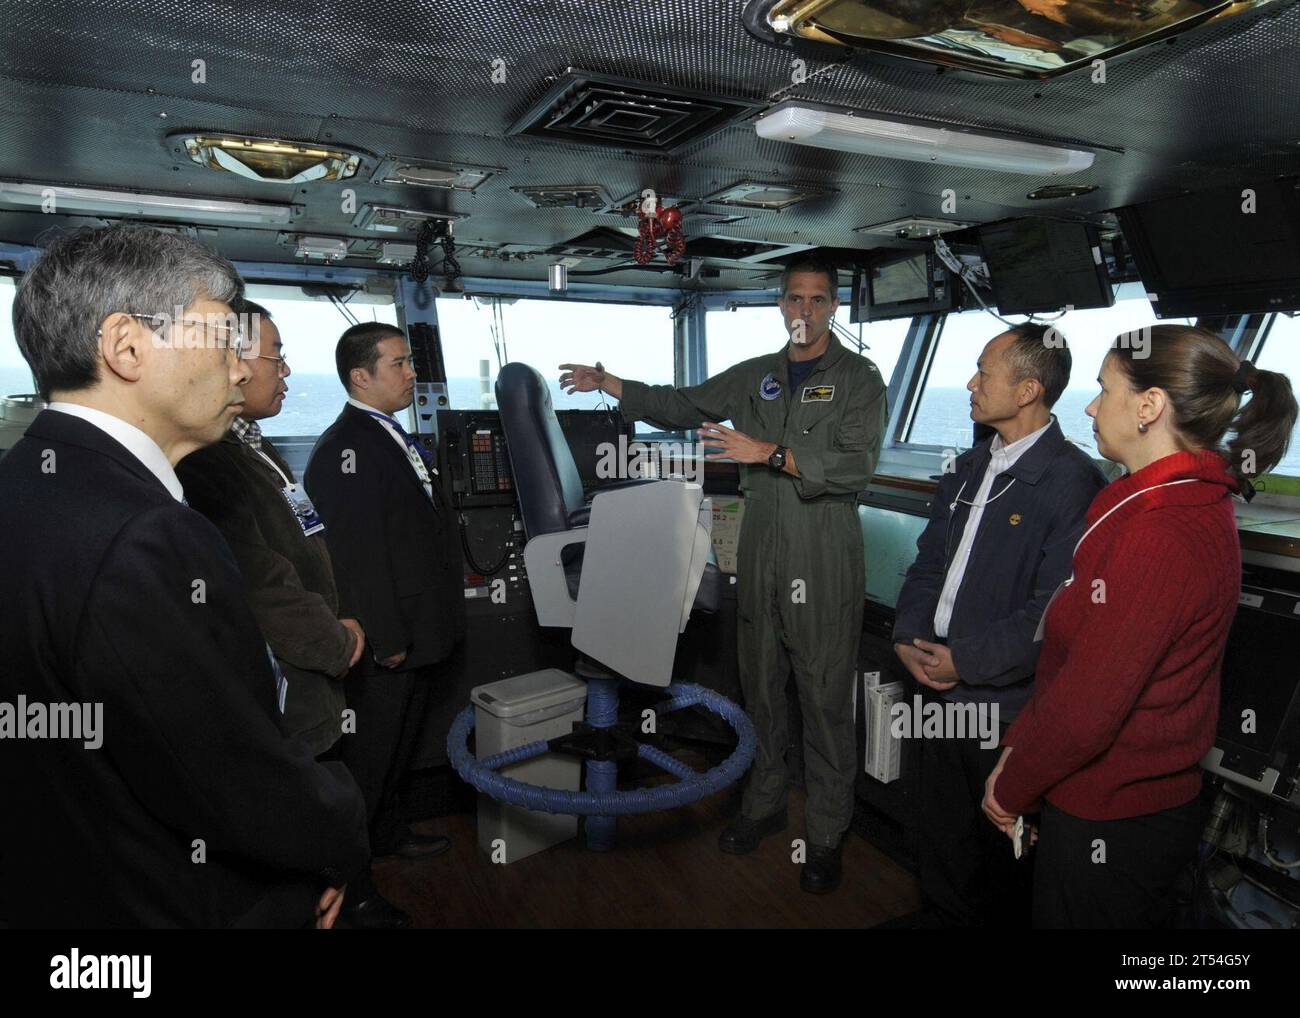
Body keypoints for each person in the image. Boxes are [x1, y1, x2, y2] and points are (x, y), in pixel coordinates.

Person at [0, 224, 368, 928]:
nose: (240, 368)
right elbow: (228, 775)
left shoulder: (29, 485)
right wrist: (332, 842)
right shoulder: (146, 536)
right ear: (127, 347)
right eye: (221, 338)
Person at [560, 255, 888, 893]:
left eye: (818, 300)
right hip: (760, 547)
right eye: (794, 298)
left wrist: (768, 452)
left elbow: (855, 468)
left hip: (822, 553)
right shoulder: (756, 376)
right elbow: (683, 404)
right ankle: (763, 806)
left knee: (823, 703)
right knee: (761, 688)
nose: (805, 311)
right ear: (780, 305)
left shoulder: (860, 379)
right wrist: (611, 382)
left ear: (834, 308)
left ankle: (825, 833)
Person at [984, 324, 1298, 928]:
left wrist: (1010, 787)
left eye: (1104, 390)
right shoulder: (1163, 504)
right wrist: (1020, 742)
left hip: (1114, 817)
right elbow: (1075, 669)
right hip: (1114, 803)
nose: (1091, 405)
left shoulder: (1161, 534)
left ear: (1150, 407)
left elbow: (1088, 709)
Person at [890, 323, 1105, 927]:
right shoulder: (967, 466)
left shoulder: (1073, 484)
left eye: (984, 372)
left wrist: (966, 661)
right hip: (935, 683)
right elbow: (929, 559)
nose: (970, 383)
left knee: (1001, 860)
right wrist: (908, 636)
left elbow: (1051, 615)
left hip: (1005, 708)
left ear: (1028, 389)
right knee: (939, 837)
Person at [304, 322, 465, 929]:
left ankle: (388, 832)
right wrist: (390, 640)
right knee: (368, 764)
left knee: (399, 750)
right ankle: (353, 889)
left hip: (423, 629)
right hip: (392, 640)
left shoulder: (387, 435)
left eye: (409, 362)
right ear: (359, 376)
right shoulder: (345, 448)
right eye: (397, 364)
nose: (410, 373)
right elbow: (357, 559)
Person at [177, 301, 365, 758]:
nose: (286, 370)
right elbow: (259, 584)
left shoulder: (255, 448)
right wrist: (336, 646)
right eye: (275, 356)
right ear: (232, 364)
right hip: (285, 702)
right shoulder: (207, 461)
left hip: (312, 688)